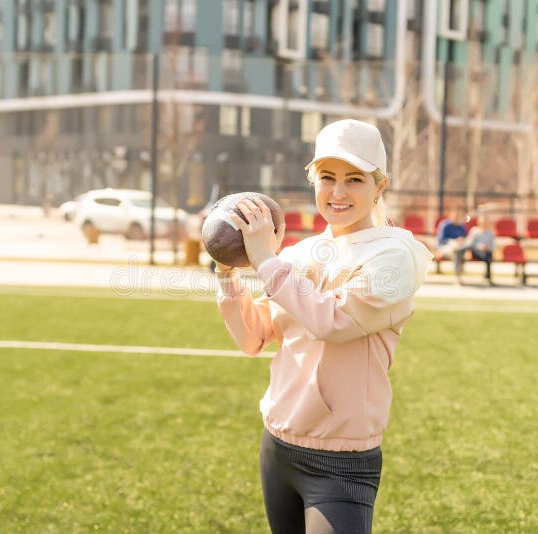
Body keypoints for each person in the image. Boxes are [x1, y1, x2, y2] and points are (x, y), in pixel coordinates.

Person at [212, 119, 431, 533]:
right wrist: (227, 270)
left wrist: (266, 261)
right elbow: (253, 336)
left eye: (354, 179)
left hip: (340, 461)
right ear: (313, 180)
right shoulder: (301, 254)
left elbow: (335, 321)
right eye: (327, 177)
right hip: (278, 448)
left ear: (379, 186)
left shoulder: (396, 255)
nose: (338, 191)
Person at [455, 215, 495, 285]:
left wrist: (486, 247)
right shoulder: (475, 231)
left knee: (489, 255)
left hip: (484, 253)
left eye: (486, 222)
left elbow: (493, 246)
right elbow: (470, 243)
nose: (484, 223)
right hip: (474, 251)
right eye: (483, 221)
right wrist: (478, 247)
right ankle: (458, 277)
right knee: (459, 251)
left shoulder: (491, 233)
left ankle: (488, 278)